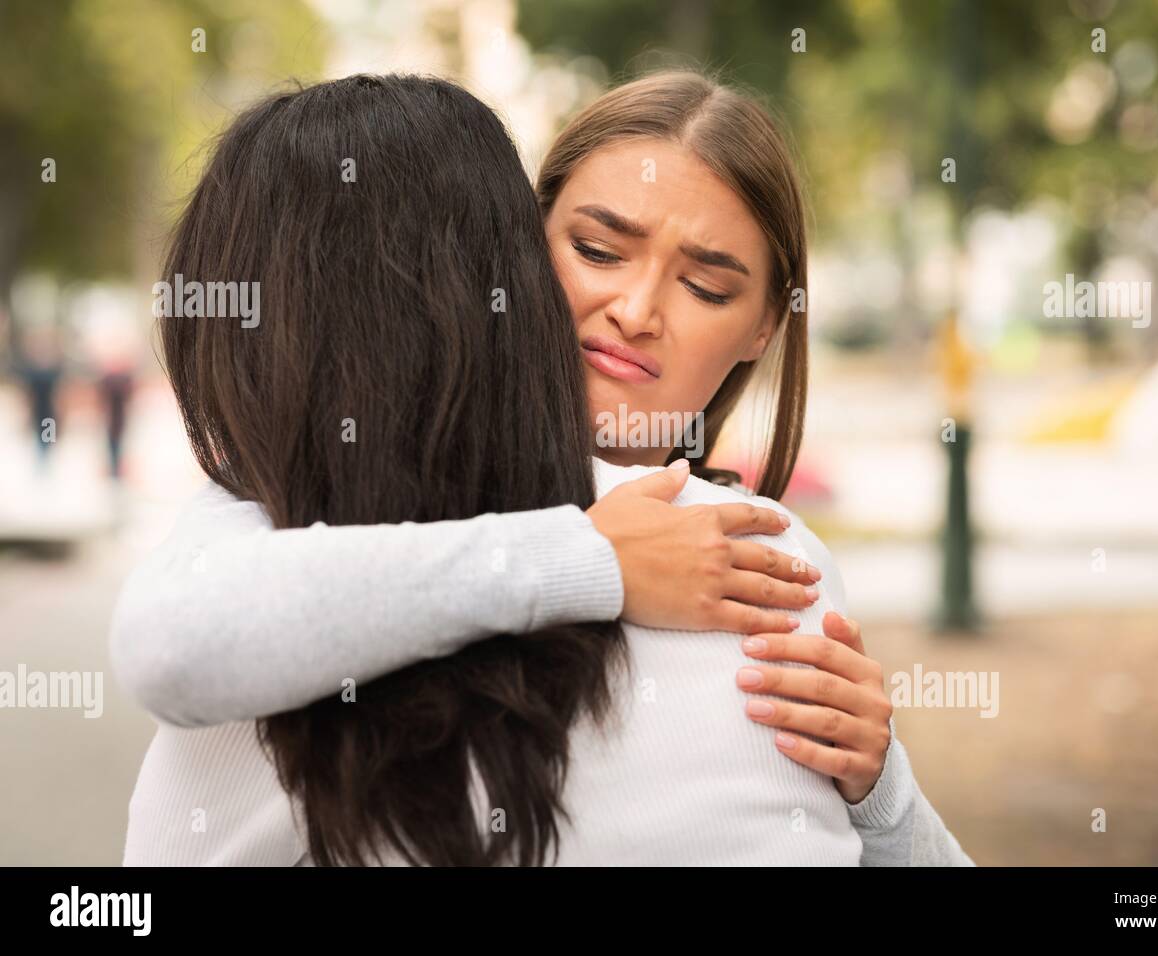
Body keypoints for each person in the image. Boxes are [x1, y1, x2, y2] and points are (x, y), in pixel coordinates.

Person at [113, 72, 971, 866]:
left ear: (763, 330)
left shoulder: (766, 560)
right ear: (519, 256)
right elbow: (172, 643)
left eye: (707, 289)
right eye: (598, 251)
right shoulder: (319, 521)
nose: (634, 312)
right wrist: (591, 560)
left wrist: (880, 790)